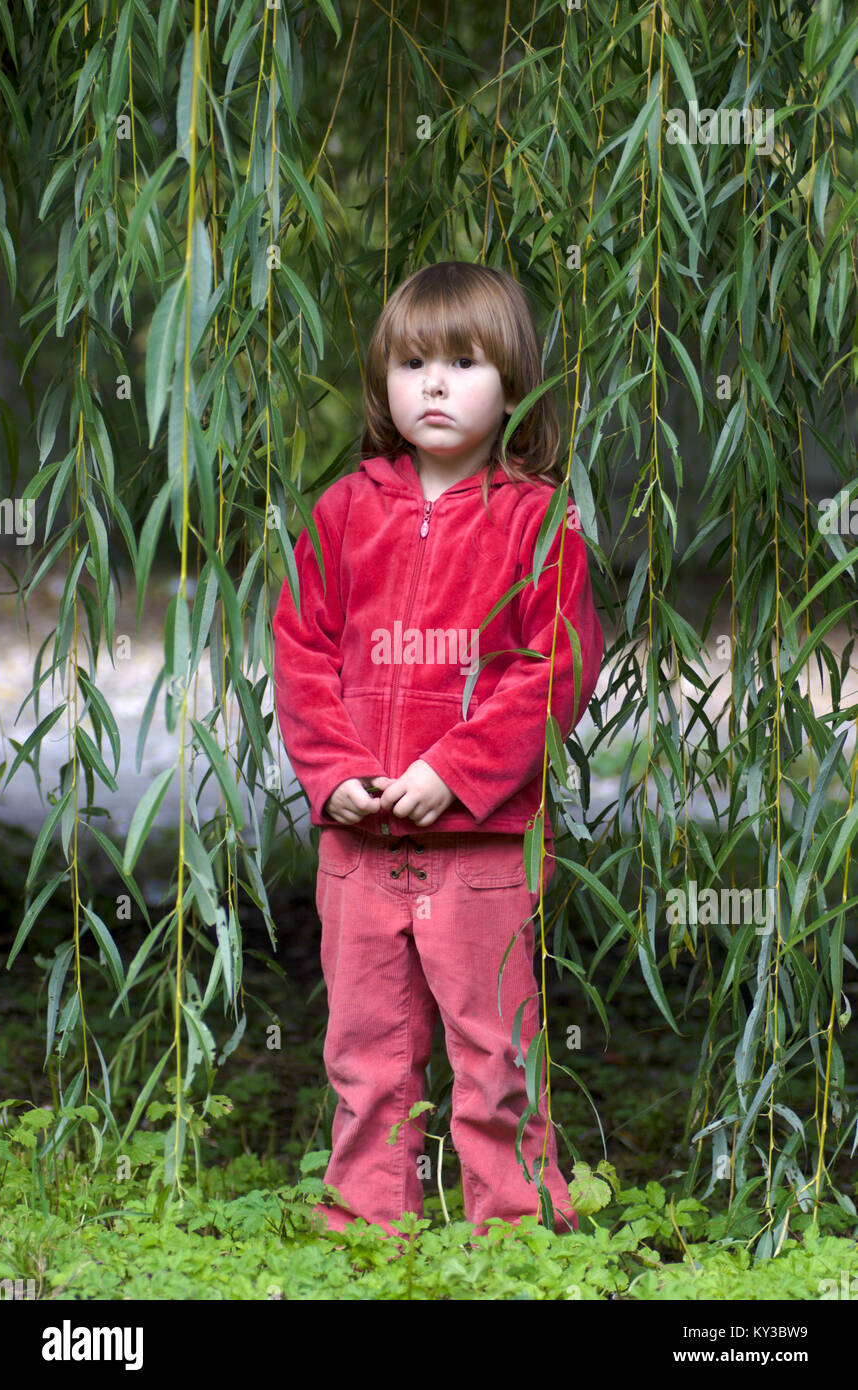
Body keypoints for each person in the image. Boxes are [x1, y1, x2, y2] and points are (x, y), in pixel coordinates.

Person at [272, 260, 603, 1249]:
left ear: (512, 381)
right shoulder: (341, 513)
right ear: (381, 382)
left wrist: (450, 772)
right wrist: (336, 778)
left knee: (493, 1050)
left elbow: (553, 668)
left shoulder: (534, 521)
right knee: (364, 1050)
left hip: (480, 854)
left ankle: (514, 1227)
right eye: (412, 361)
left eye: (462, 362)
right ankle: (369, 1222)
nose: (432, 383)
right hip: (359, 848)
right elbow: (302, 654)